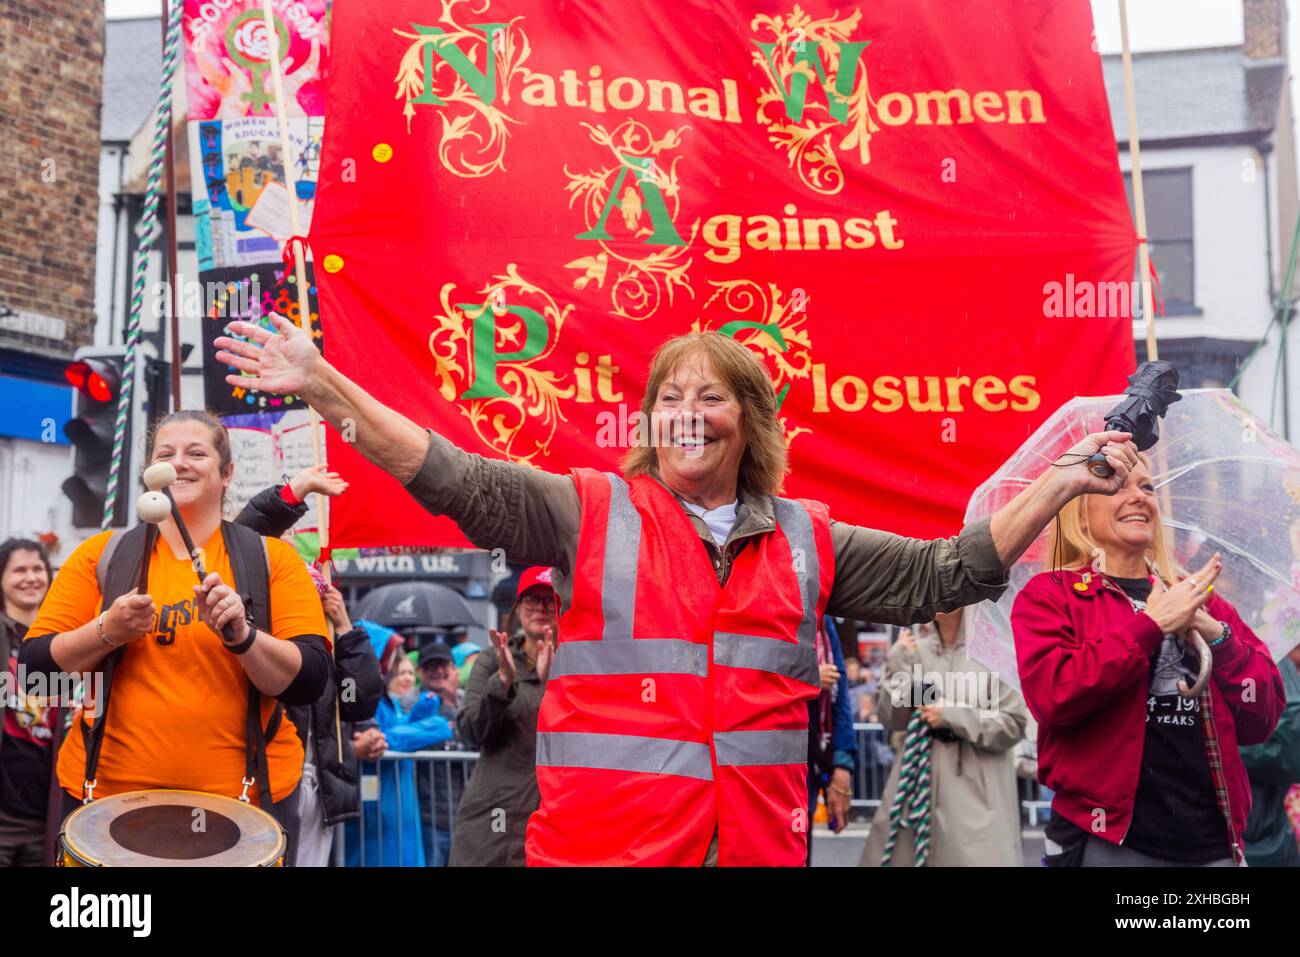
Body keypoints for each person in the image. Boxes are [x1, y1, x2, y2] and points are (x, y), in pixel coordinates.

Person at [217, 314, 1143, 866]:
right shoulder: (588, 510)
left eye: (709, 396)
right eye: (668, 395)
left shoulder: (808, 534)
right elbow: (453, 474)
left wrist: (1061, 482)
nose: (684, 413)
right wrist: (326, 385)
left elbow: (949, 569)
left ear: (751, 422)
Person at [19, 410, 331, 864]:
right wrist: (107, 631)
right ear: (150, 473)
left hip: (247, 812)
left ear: (227, 474)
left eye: (196, 453)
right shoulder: (98, 556)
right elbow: (34, 676)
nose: (179, 463)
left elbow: (309, 681)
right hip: (107, 809)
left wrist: (243, 636)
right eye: (166, 454)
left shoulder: (272, 559)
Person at [1011, 457, 1286, 866]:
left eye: (1146, 487)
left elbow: (1261, 717)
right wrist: (1152, 625)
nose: (1138, 496)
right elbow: (1055, 696)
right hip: (1107, 841)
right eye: (1117, 485)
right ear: (1079, 506)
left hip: (1211, 846)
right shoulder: (1052, 595)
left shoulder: (1199, 597)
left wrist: (1217, 635)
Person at [861, 607, 1029, 866]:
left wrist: (953, 716)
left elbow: (1012, 722)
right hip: (917, 792)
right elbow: (894, 718)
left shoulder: (994, 654)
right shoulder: (917, 652)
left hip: (976, 801)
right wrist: (899, 660)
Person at [448, 568, 555, 866]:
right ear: (518, 608)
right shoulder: (492, 659)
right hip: (491, 818)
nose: (541, 609)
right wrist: (503, 681)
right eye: (532, 601)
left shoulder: (573, 661)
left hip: (549, 815)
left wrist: (553, 686)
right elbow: (471, 731)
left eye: (549, 601)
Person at [292, 584, 383, 866]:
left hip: (321, 784)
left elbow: (358, 701)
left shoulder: (330, 637)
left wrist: (344, 626)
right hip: (276, 780)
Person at [350, 656, 452, 866]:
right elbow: (385, 738)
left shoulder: (390, 702)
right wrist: (431, 726)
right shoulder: (371, 701)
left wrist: (421, 713)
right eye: (399, 671)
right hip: (378, 805)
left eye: (409, 673)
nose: (406, 678)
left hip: (398, 803)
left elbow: (394, 732)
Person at [0, 538, 59, 866]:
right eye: (19, 569)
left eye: (38, 568)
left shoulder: (64, 641)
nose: (30, 577)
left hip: (44, 816)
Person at [1240, 647, 1300, 866]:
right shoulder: (1268, 654)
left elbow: (1289, 751)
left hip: (1260, 836)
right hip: (1252, 837)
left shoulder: (1272, 653)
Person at [808, 616, 855, 862]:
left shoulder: (824, 621)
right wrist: (809, 678)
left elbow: (841, 691)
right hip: (763, 770)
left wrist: (842, 766)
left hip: (809, 768)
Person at [414, 640, 461, 866]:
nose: (438, 671)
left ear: (454, 668)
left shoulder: (467, 702)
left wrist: (453, 703)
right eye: (431, 666)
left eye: (442, 665)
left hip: (464, 817)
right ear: (419, 672)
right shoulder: (410, 704)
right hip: (428, 817)